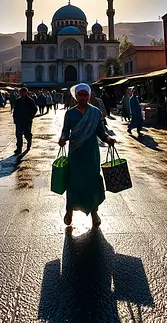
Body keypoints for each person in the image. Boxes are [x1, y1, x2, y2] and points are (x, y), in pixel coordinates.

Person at [58, 83, 116, 227]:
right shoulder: (70, 113)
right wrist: (63, 138)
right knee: (73, 183)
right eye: (80, 95)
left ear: (89, 95)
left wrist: (108, 139)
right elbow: (65, 130)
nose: (83, 97)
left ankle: (94, 212)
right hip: (76, 154)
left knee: (92, 182)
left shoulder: (95, 112)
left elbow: (101, 132)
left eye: (85, 94)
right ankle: (69, 210)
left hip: (91, 154)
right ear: (76, 96)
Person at [13, 86, 38, 154]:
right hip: (19, 120)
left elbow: (35, 109)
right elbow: (15, 111)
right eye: (20, 92)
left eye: (22, 92)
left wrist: (31, 117)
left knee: (26, 134)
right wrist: (14, 119)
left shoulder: (30, 100)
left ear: (26, 92)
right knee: (18, 134)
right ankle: (19, 148)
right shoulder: (18, 101)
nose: (21, 93)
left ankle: (29, 140)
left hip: (27, 120)